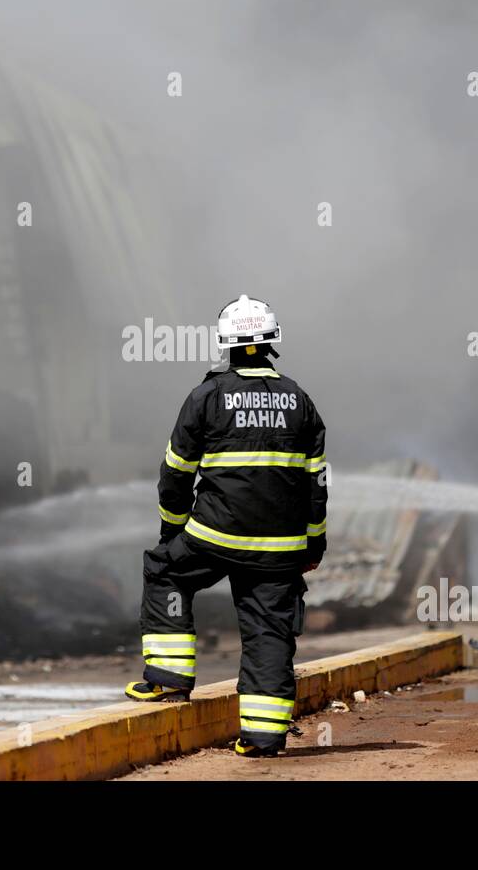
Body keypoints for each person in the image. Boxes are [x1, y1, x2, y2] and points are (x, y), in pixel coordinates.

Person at [125, 295, 328, 758]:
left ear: (226, 346)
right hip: (282, 547)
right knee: (269, 632)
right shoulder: (301, 402)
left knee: (165, 570)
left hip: (214, 536)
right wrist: (313, 544)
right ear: (271, 343)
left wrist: (172, 531)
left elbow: (175, 475)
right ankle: (262, 738)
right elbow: (316, 487)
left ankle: (169, 679)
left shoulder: (207, 397)